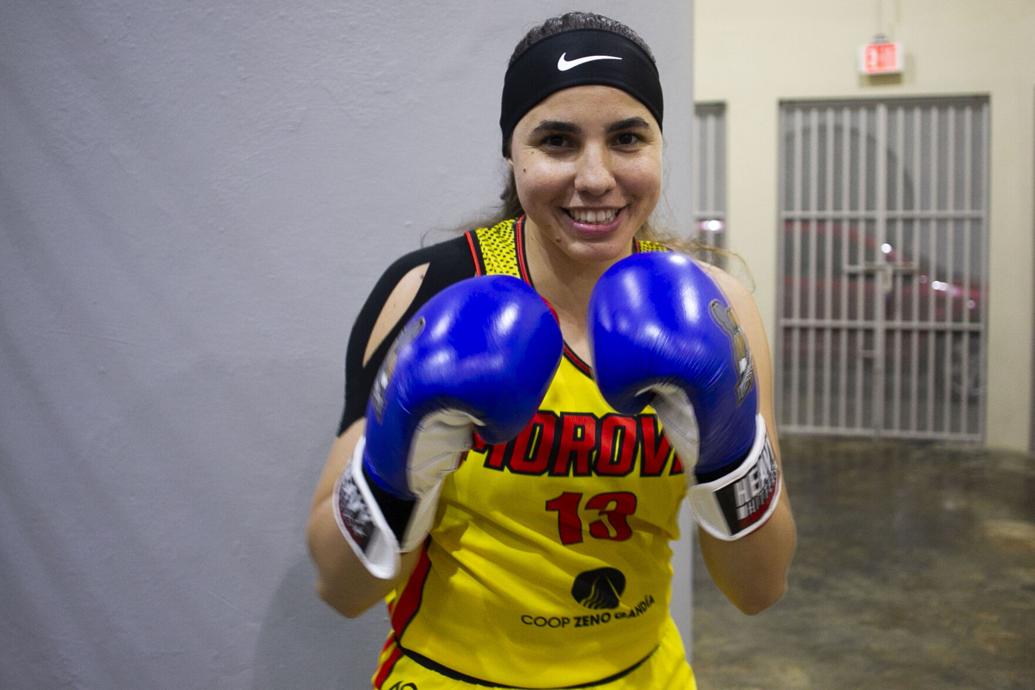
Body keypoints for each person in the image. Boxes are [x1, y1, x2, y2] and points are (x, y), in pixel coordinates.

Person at [307, 11, 796, 689]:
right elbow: (341, 586)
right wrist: (396, 468)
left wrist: (729, 450)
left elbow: (759, 587)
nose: (595, 177)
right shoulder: (432, 292)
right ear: (514, 153)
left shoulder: (713, 306)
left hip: (642, 675)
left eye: (627, 138)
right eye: (558, 141)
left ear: (659, 146)